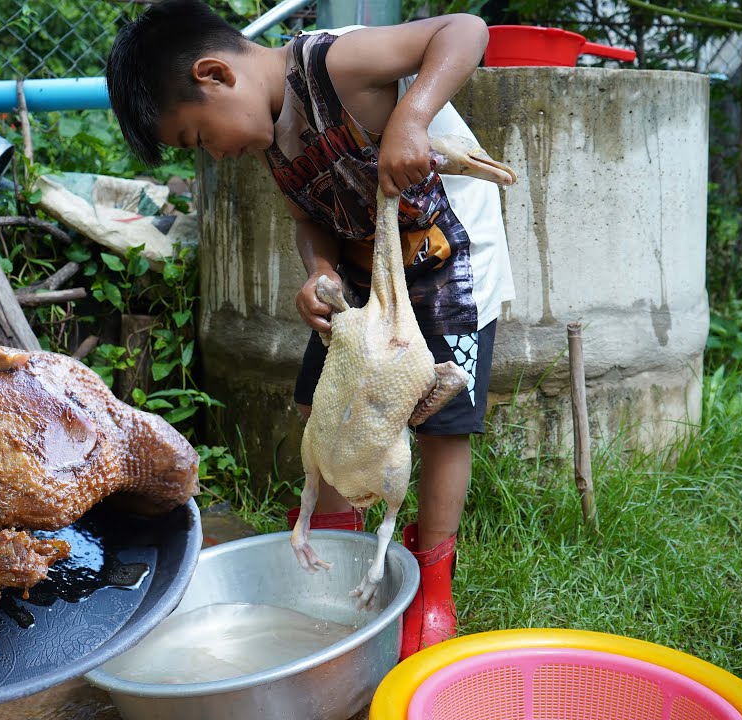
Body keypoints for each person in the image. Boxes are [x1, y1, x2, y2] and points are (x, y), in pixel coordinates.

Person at [105, 0, 513, 659]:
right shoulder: (270, 136)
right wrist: (318, 270)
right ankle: (340, 549)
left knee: (442, 426)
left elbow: (464, 30)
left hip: (445, 258)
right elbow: (308, 215)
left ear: (215, 76)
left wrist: (412, 118)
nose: (212, 154)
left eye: (197, 137)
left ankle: (434, 583)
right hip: (361, 262)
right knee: (316, 398)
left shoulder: (333, 63)